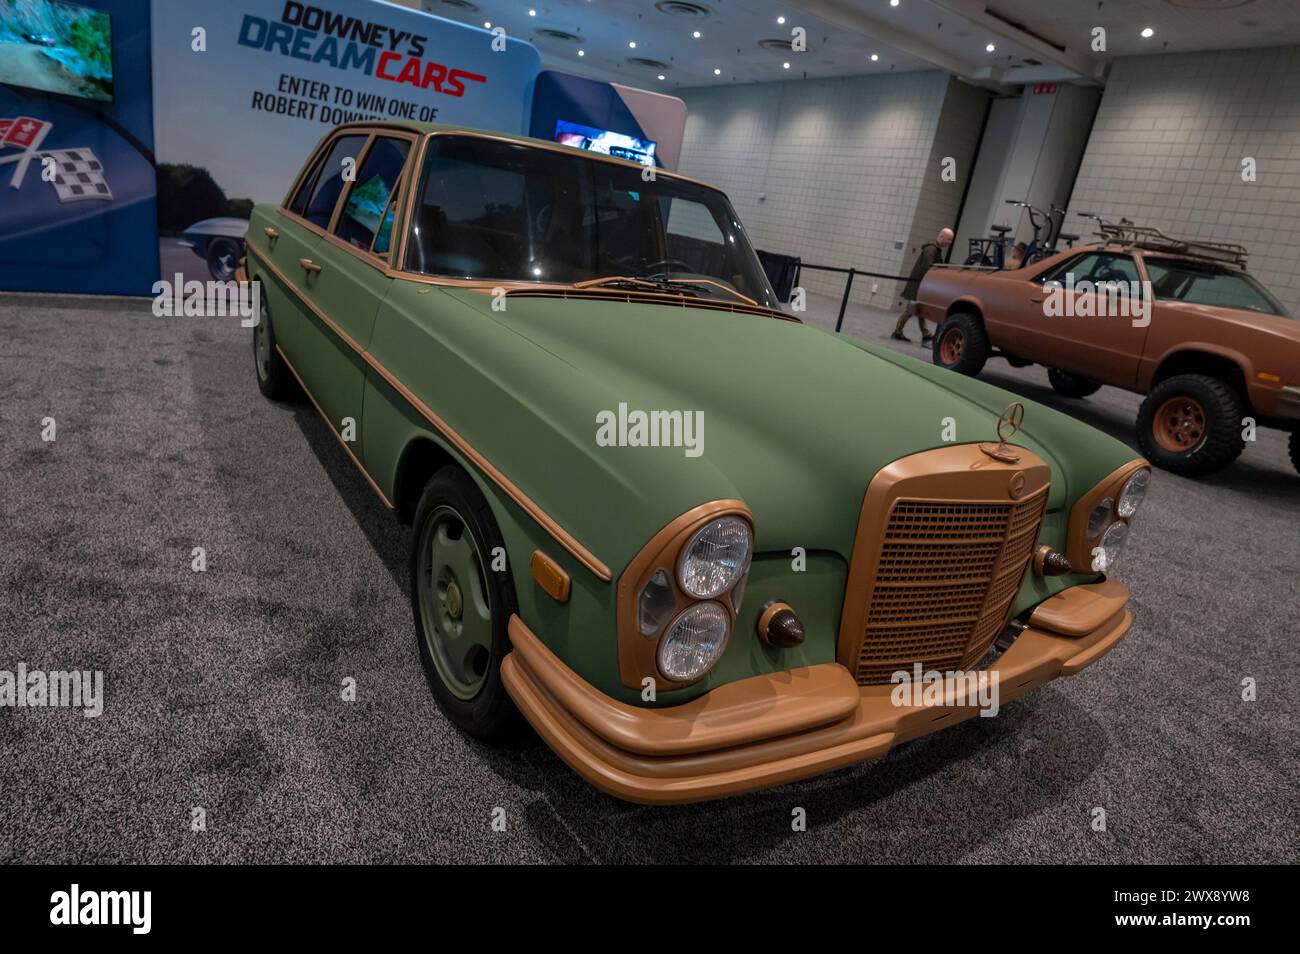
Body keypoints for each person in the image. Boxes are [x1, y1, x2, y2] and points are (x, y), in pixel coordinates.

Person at [892, 228, 953, 344]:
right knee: (911, 310)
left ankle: (924, 334)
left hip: (920, 286)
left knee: (919, 309)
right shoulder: (931, 250)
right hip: (919, 286)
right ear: (941, 237)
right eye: (949, 239)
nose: (950, 242)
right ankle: (898, 332)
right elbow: (928, 268)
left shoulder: (934, 249)